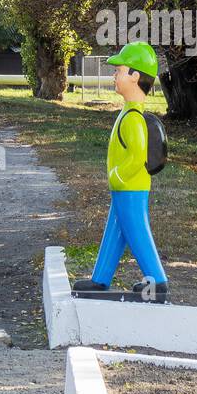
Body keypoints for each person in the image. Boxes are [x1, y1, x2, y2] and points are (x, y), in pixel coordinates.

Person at [72, 42, 169, 303]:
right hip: (125, 187)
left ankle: (157, 280)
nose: (114, 75)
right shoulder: (128, 113)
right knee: (115, 231)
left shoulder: (134, 119)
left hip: (131, 186)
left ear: (135, 76)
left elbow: (137, 156)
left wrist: (118, 175)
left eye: (119, 70)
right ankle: (100, 278)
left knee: (136, 230)